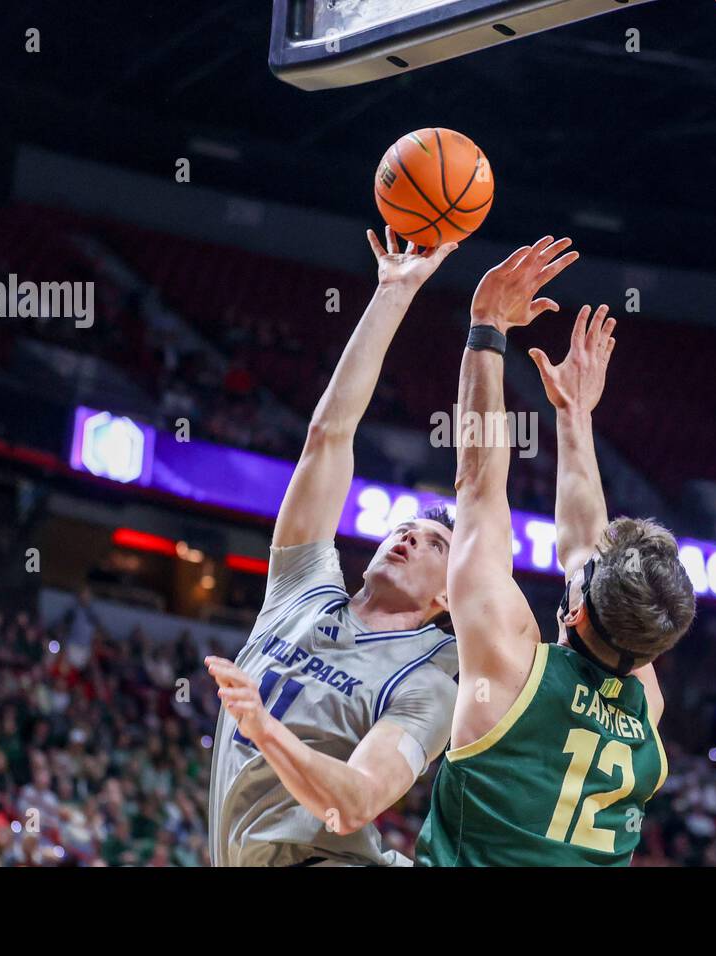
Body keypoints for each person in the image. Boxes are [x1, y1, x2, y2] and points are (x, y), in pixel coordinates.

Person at [416, 237, 697, 865]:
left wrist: (486, 330)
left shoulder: (509, 666)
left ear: (573, 612)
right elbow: (588, 555)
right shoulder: (644, 703)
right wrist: (574, 418)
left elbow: (480, 484)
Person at [205, 228, 460, 866]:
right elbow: (328, 436)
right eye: (407, 527)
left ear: (448, 596)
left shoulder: (429, 683)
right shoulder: (301, 588)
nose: (409, 535)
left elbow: (355, 801)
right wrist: (393, 295)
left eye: (434, 543)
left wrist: (262, 727)